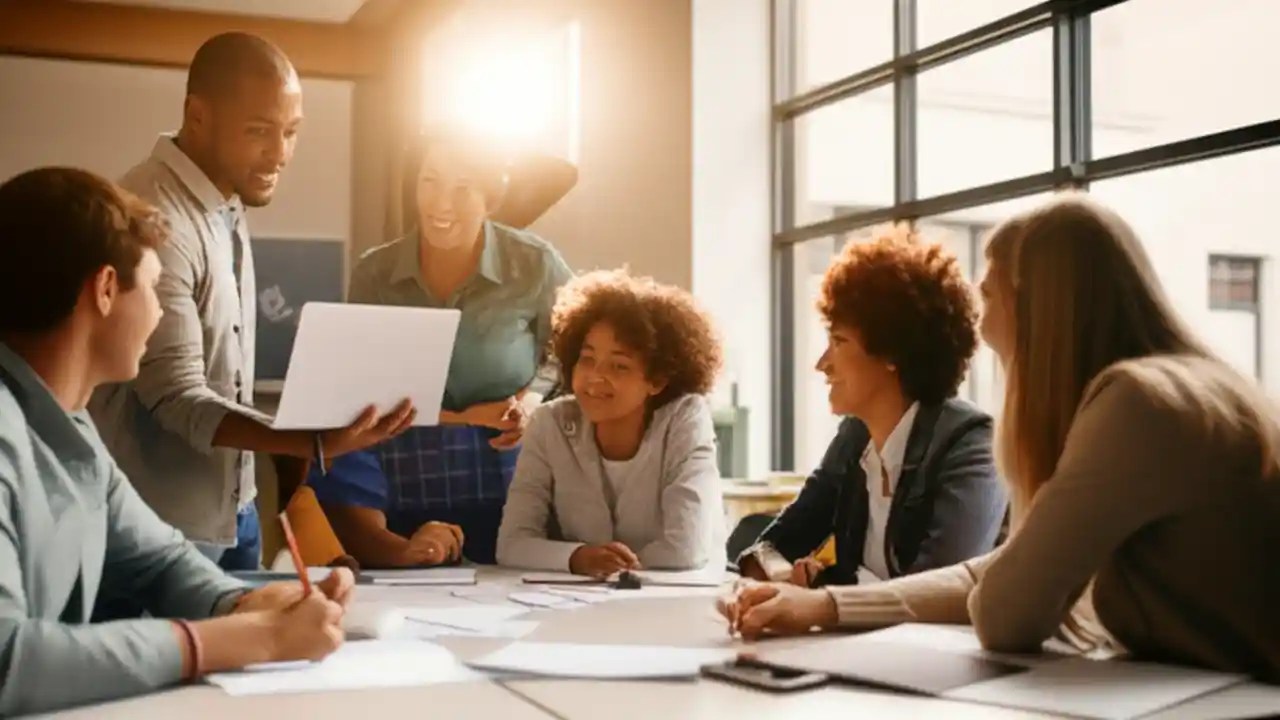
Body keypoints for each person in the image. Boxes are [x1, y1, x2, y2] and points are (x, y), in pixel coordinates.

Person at [717, 197, 1280, 682]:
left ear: (1041, 306)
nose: (981, 328)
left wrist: (829, 600)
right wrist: (824, 605)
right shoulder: (1182, 388)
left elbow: (1007, 611)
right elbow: (992, 572)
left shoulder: (1136, 403)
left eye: (989, 297)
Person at [0, 167, 358, 716]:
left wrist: (246, 601)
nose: (160, 310)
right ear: (104, 289)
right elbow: (8, 660)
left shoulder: (70, 423)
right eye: (151, 286)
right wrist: (247, 639)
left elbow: (158, 562)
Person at [89, 32, 412, 571]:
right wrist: (307, 440)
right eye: (259, 132)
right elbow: (177, 396)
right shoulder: (153, 217)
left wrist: (301, 435)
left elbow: (223, 376)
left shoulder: (225, 203)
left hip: (235, 511)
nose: (280, 153)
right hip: (162, 526)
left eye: (291, 132)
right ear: (197, 116)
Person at [308, 126, 574, 567]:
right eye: (429, 181)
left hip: (507, 468)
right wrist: (464, 417)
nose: (440, 203)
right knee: (414, 589)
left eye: (462, 188)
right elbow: (363, 386)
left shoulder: (536, 264)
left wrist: (531, 402)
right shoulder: (374, 273)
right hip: (401, 467)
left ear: (490, 195)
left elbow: (567, 356)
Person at [737, 227, 1005, 588]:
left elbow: (934, 590)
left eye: (838, 341)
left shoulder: (971, 444)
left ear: (892, 351)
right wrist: (786, 574)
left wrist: (825, 597)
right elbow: (770, 546)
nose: (822, 364)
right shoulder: (856, 436)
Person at [496, 270, 726, 576]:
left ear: (657, 380)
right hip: (578, 605)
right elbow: (512, 544)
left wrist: (612, 566)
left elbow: (684, 550)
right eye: (587, 359)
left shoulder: (685, 418)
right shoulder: (549, 422)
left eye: (619, 366)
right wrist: (578, 557)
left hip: (678, 603)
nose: (595, 378)